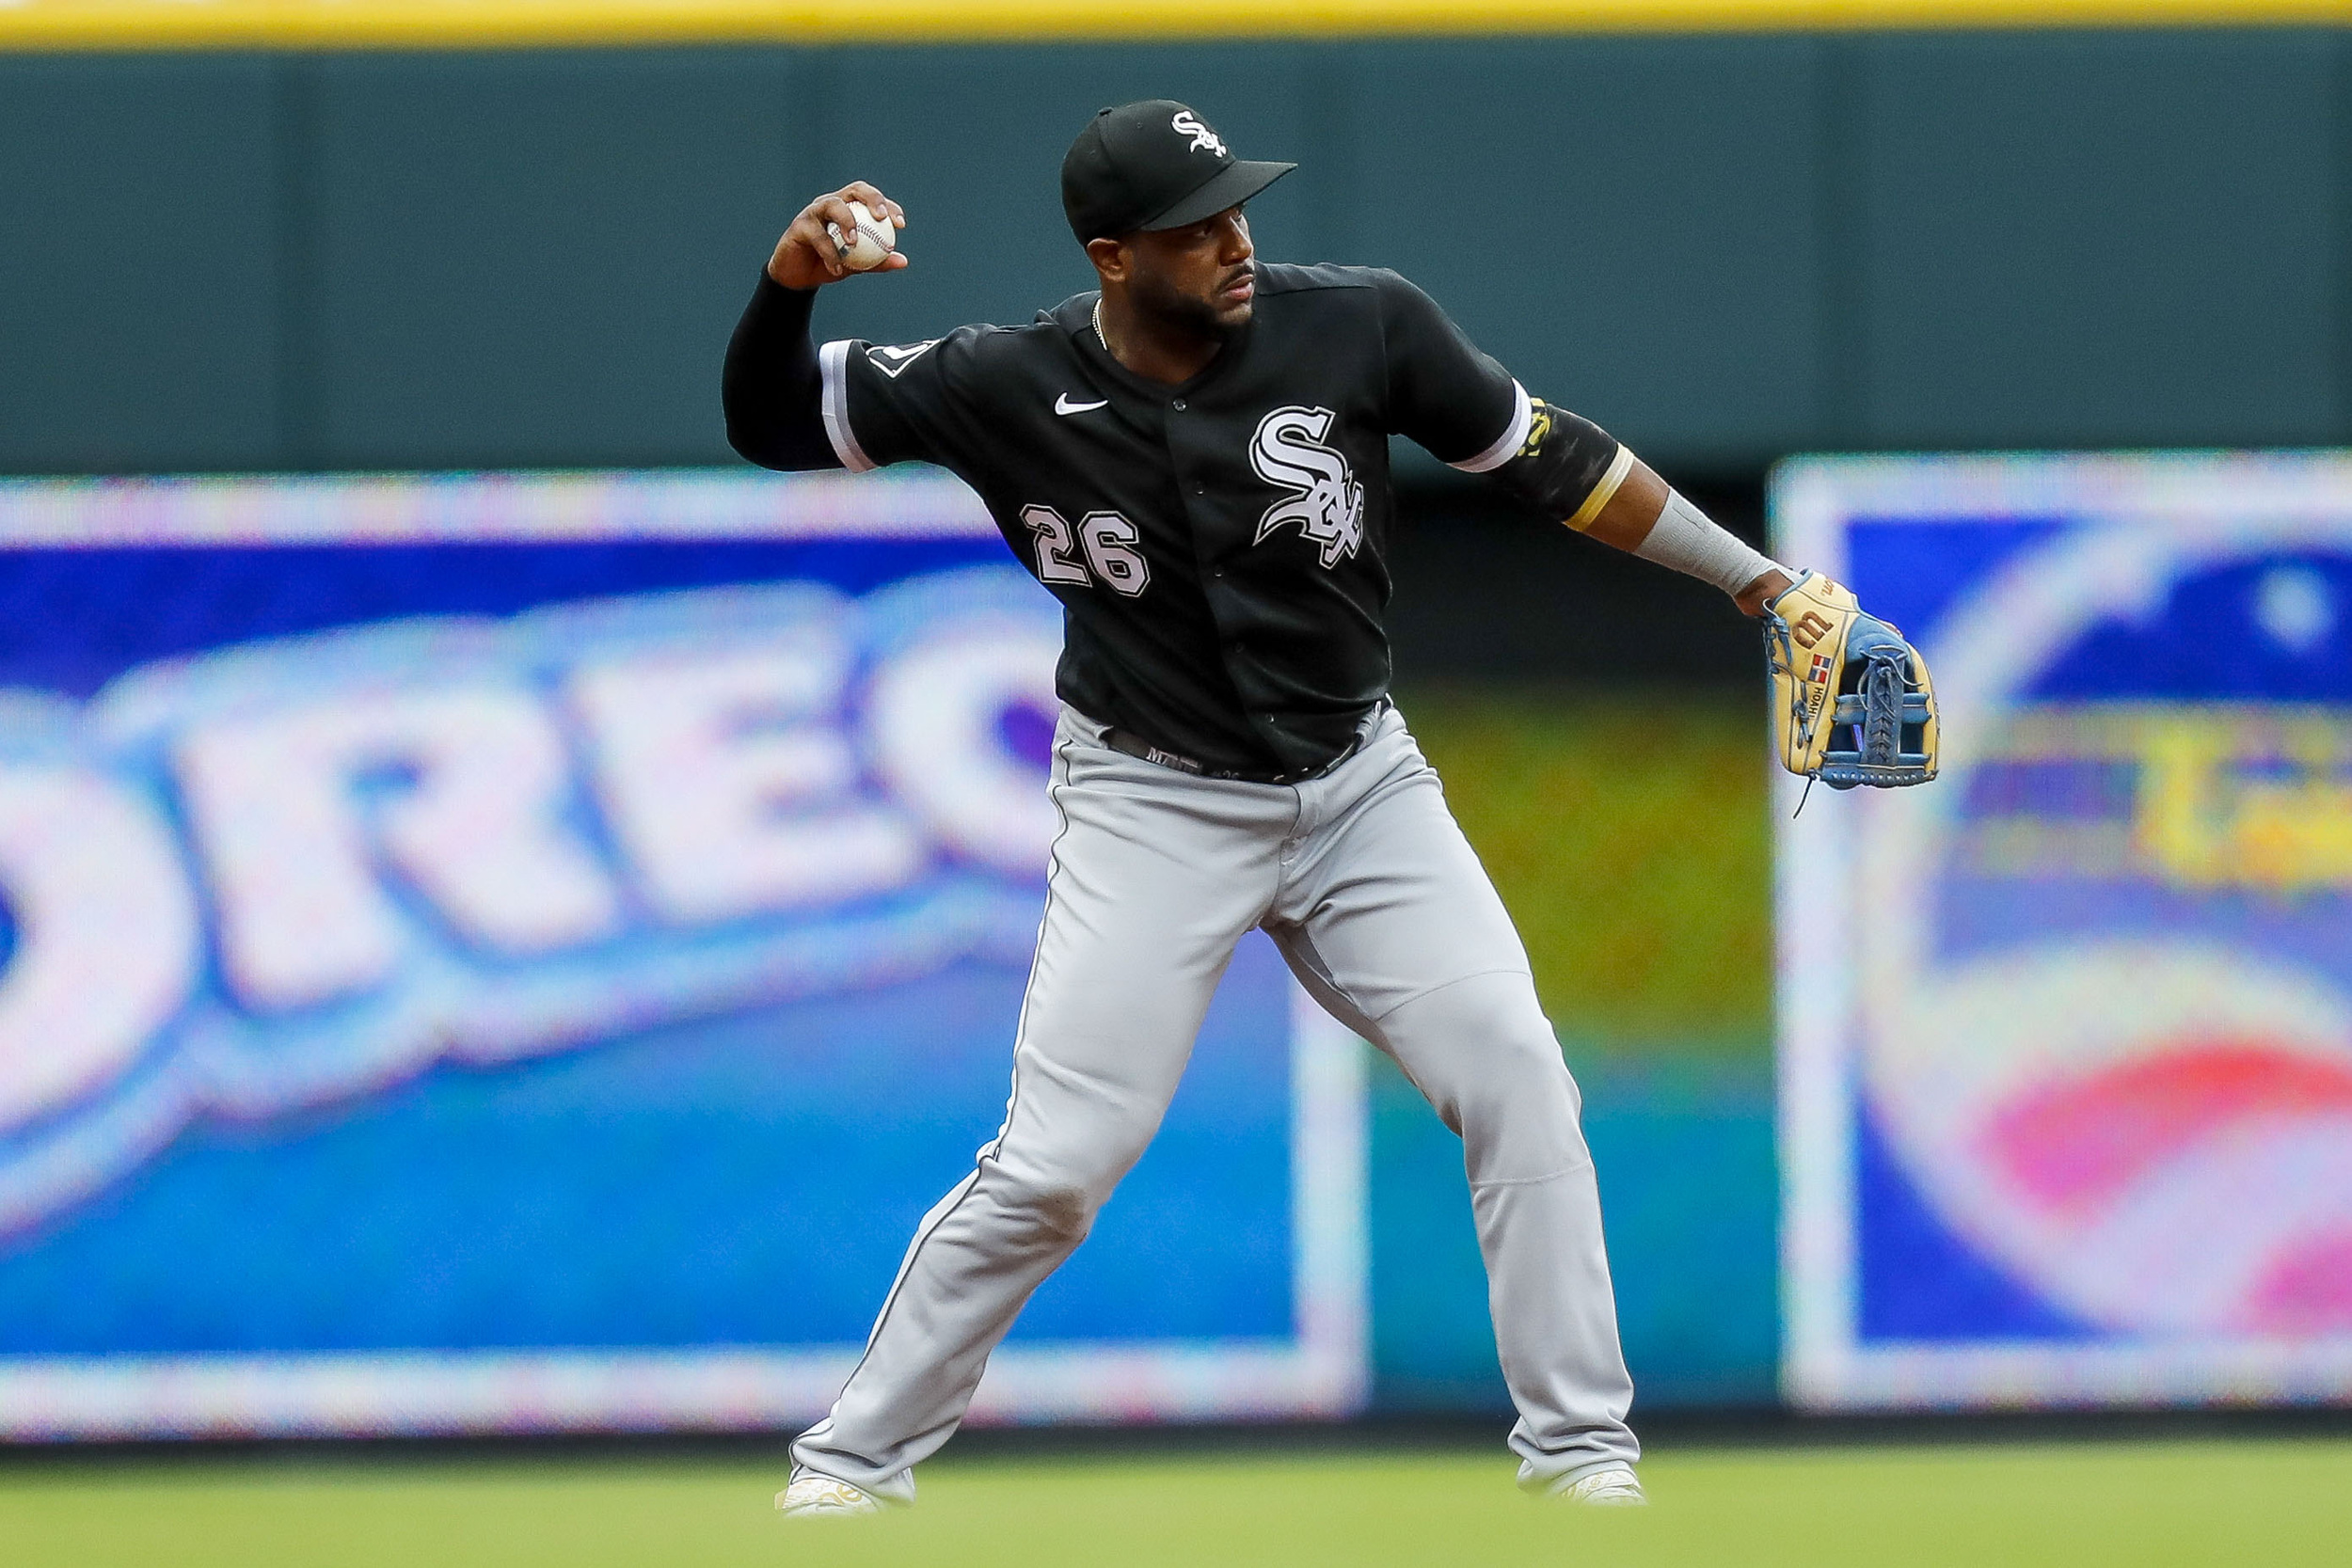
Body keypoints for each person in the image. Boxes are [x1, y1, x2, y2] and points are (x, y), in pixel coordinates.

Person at [723, 100, 1797, 1515]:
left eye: (1239, 208)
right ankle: (851, 1470)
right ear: (1113, 256)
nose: (1235, 239)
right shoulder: (998, 378)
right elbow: (773, 425)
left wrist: (1760, 583)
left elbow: (1559, 461)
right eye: (1195, 225)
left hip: (1360, 788)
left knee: (1517, 1077)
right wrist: (788, 286)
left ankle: (1584, 1464)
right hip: (1149, 803)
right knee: (1057, 1167)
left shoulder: (1360, 325)